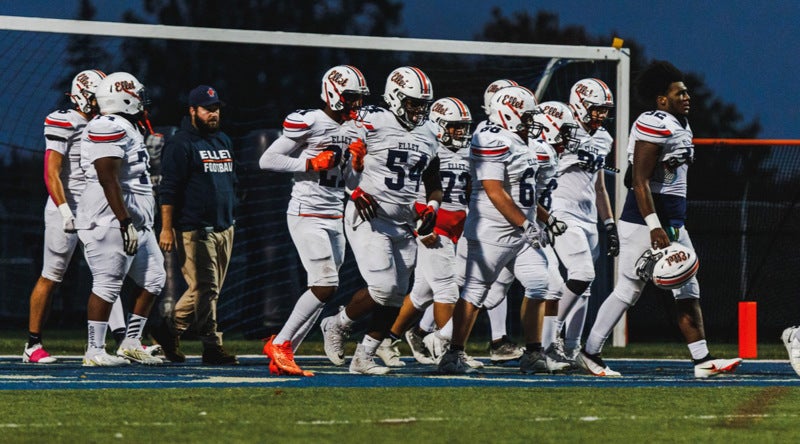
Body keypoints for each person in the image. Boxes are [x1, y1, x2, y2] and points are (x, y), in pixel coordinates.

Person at [576, 60, 742, 378]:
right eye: (679, 93)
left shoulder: (681, 123)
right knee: (628, 289)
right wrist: (654, 226)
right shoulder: (656, 122)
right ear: (661, 99)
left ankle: (702, 360)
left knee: (688, 285)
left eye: (687, 91)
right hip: (645, 222)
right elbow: (638, 180)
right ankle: (590, 352)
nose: (687, 96)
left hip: (672, 222)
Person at [319, 66, 441, 375]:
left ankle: (364, 357)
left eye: (423, 104)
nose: (419, 110)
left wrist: (432, 206)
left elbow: (433, 180)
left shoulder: (428, 132)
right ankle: (337, 324)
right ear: (397, 98)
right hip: (368, 216)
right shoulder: (370, 120)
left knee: (397, 296)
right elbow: (339, 156)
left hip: (404, 223)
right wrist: (354, 187)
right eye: (414, 103)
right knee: (384, 287)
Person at [258, 65, 370, 376]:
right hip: (307, 212)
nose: (356, 105)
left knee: (327, 289)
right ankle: (280, 344)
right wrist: (310, 161)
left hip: (335, 213)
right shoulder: (310, 120)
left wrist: (357, 165)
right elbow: (267, 159)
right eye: (351, 97)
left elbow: (348, 183)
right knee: (324, 284)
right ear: (333, 93)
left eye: (359, 98)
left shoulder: (356, 129)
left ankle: (285, 350)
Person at [437, 85, 551, 374]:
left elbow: (526, 193)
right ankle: (453, 353)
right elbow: (494, 190)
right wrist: (525, 223)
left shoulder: (521, 140)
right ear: (509, 114)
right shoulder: (490, 138)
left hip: (521, 233)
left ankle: (534, 352)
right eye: (526, 117)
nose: (531, 123)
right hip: (492, 231)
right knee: (474, 293)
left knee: (539, 283)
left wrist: (539, 220)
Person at [75, 71, 165, 366]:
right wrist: (124, 220)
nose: (142, 100)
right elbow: (107, 177)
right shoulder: (106, 125)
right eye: (137, 94)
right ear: (124, 97)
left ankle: (131, 342)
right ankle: (94, 350)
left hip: (135, 218)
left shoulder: (126, 126)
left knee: (154, 278)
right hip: (112, 217)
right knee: (107, 283)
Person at [23, 69, 109, 364]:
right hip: (67, 208)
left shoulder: (103, 124)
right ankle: (33, 344)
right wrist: (64, 210)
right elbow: (51, 172)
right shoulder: (65, 120)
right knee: (52, 275)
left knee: (109, 272)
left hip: (94, 207)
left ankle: (122, 341)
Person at [381, 97, 473, 368]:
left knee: (422, 291)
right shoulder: (427, 146)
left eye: (463, 127)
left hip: (458, 224)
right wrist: (419, 226)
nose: (461, 133)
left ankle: (387, 338)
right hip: (432, 222)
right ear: (441, 126)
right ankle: (449, 349)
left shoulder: (469, 151)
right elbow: (408, 189)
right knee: (447, 289)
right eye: (456, 127)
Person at [153, 84, 238, 365]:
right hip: (194, 228)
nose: (213, 114)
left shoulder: (223, 140)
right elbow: (169, 189)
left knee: (206, 291)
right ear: (192, 111)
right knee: (205, 289)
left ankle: (168, 330)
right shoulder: (180, 144)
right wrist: (166, 228)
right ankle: (212, 346)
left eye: (215, 109)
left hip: (225, 226)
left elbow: (230, 180)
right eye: (207, 109)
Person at [546, 78, 618, 365]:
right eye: (596, 108)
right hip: (561, 212)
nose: (601, 115)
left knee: (585, 286)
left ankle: (573, 349)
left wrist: (609, 224)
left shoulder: (603, 138)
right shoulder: (559, 128)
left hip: (588, 217)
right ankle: (548, 342)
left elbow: (599, 186)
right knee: (582, 273)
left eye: (604, 110)